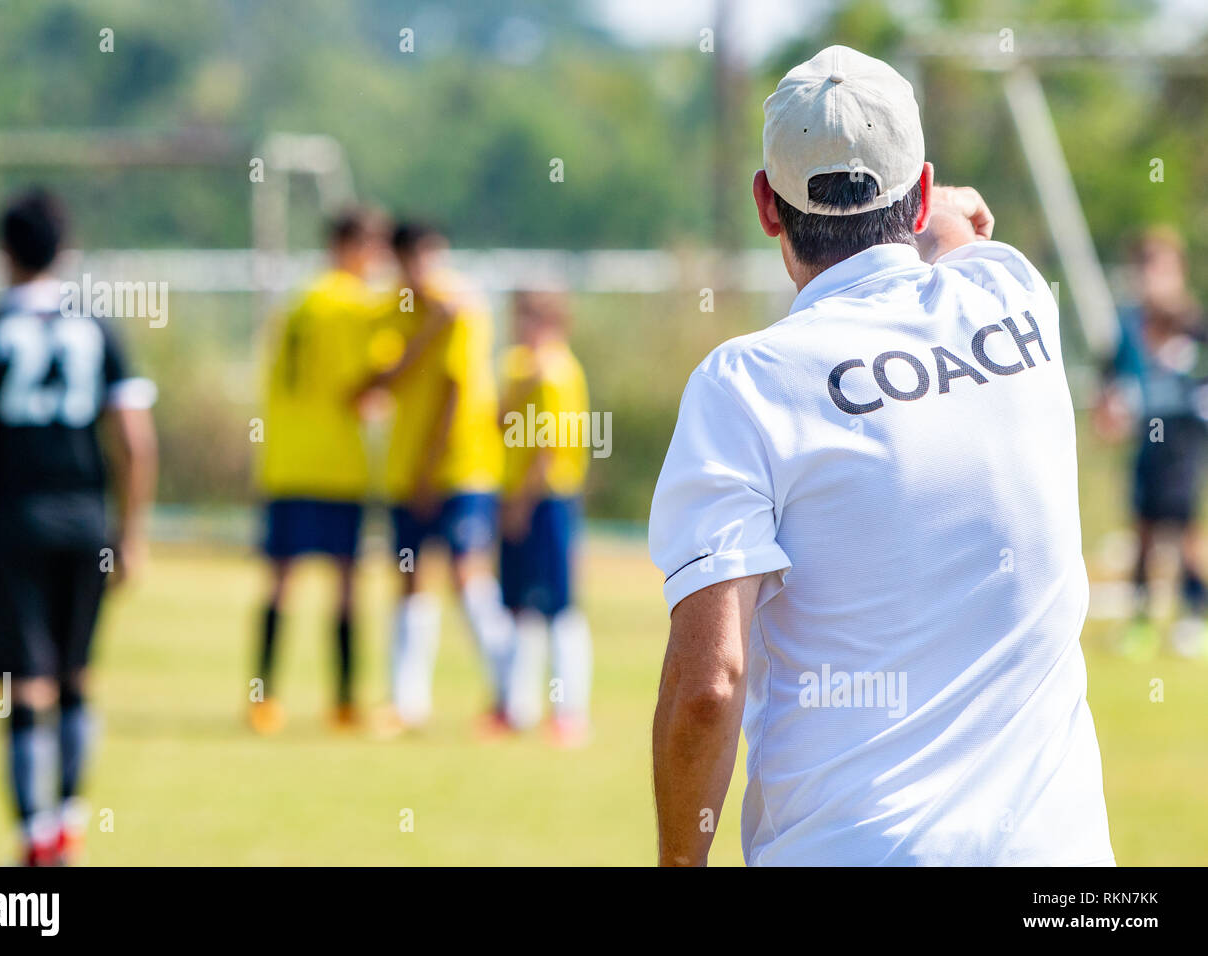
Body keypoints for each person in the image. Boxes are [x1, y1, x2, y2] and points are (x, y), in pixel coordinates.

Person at [649, 46, 1113, 866]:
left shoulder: (744, 384)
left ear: (767, 204)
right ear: (922, 187)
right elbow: (957, 225)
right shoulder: (1013, 294)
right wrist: (937, 200)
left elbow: (709, 685)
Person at [0, 188, 158, 865]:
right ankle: (69, 819)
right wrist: (134, 532)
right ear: (66, 250)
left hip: (17, 520)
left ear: (3, 252)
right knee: (77, 673)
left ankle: (35, 835)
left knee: (25, 680)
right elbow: (136, 441)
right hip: (89, 521)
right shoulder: (98, 329)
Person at [359, 222, 512, 733]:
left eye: (433, 258)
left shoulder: (465, 308)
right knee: (408, 578)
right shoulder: (398, 310)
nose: (425, 271)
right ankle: (406, 704)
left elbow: (453, 391)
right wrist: (427, 330)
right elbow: (379, 380)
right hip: (410, 469)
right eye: (413, 260)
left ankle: (510, 696)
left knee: (466, 574)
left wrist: (429, 469)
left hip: (461, 468)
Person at [252, 208, 389, 734]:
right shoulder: (353, 304)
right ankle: (345, 702)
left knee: (279, 582)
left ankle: (263, 699)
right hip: (335, 465)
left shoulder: (299, 300)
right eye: (374, 248)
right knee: (346, 584)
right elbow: (366, 385)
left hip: (285, 463)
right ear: (353, 246)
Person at [1095, 227, 1207, 659]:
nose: (1151, 277)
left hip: (1185, 435)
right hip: (1147, 435)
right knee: (1142, 526)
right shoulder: (1127, 326)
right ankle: (1140, 621)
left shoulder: (1194, 324)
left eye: (1159, 267)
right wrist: (1109, 412)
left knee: (1183, 526)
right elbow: (1110, 383)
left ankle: (1193, 616)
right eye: (1144, 267)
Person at [497, 290, 593, 744]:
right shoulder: (522, 369)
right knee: (520, 605)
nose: (519, 328)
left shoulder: (556, 373)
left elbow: (548, 449)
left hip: (547, 500)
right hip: (519, 496)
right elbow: (499, 422)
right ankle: (517, 708)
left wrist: (519, 505)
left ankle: (569, 711)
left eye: (528, 319)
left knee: (559, 605)